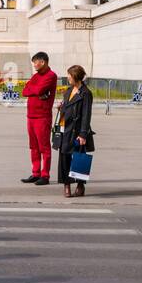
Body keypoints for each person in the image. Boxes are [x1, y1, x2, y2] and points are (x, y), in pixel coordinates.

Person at [55, 64, 95, 198]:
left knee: (79, 158)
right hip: (65, 129)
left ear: (76, 77)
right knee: (64, 157)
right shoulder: (68, 90)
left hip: (77, 131)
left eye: (69, 75)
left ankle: (80, 185)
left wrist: (83, 134)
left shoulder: (86, 93)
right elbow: (68, 105)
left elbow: (86, 115)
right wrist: (62, 107)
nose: (68, 78)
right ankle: (67, 185)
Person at [20, 51, 57, 186]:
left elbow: (39, 90)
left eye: (36, 62)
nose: (34, 64)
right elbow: (25, 91)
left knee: (44, 147)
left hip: (42, 116)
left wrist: (35, 91)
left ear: (43, 62)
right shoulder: (36, 76)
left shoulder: (51, 76)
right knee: (34, 146)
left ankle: (45, 175)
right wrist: (35, 91)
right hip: (31, 116)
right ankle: (36, 173)